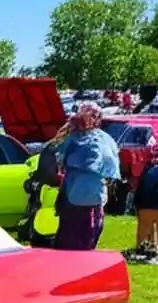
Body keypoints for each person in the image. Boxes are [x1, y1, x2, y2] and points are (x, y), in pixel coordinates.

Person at [51, 103, 120, 250]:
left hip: (74, 194)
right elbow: (110, 168)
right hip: (91, 196)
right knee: (87, 237)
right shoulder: (102, 139)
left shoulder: (70, 137)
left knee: (68, 237)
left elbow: (57, 157)